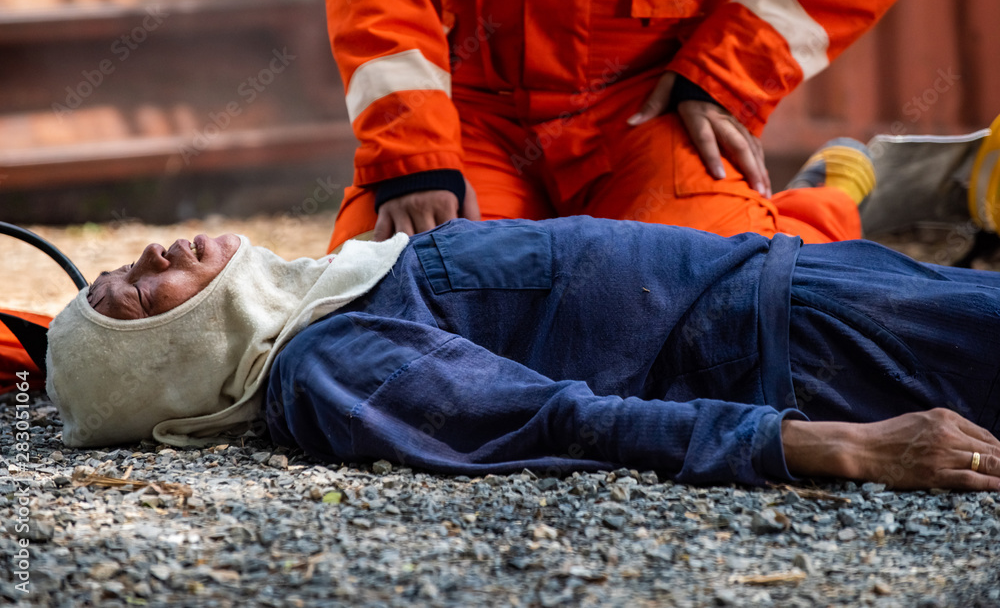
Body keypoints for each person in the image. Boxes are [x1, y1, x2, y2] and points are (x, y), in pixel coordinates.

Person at [46, 217, 1000, 491]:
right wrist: (849, 447)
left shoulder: (326, 297)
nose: (153, 255)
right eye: (134, 293)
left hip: (797, 283)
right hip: (806, 345)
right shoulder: (323, 364)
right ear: (166, 366)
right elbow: (568, 420)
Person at [321, 0, 929, 251]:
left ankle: (822, 207)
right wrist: (416, 156)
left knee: (722, 308)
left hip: (647, 111)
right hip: (472, 115)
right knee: (388, 304)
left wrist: (726, 74)